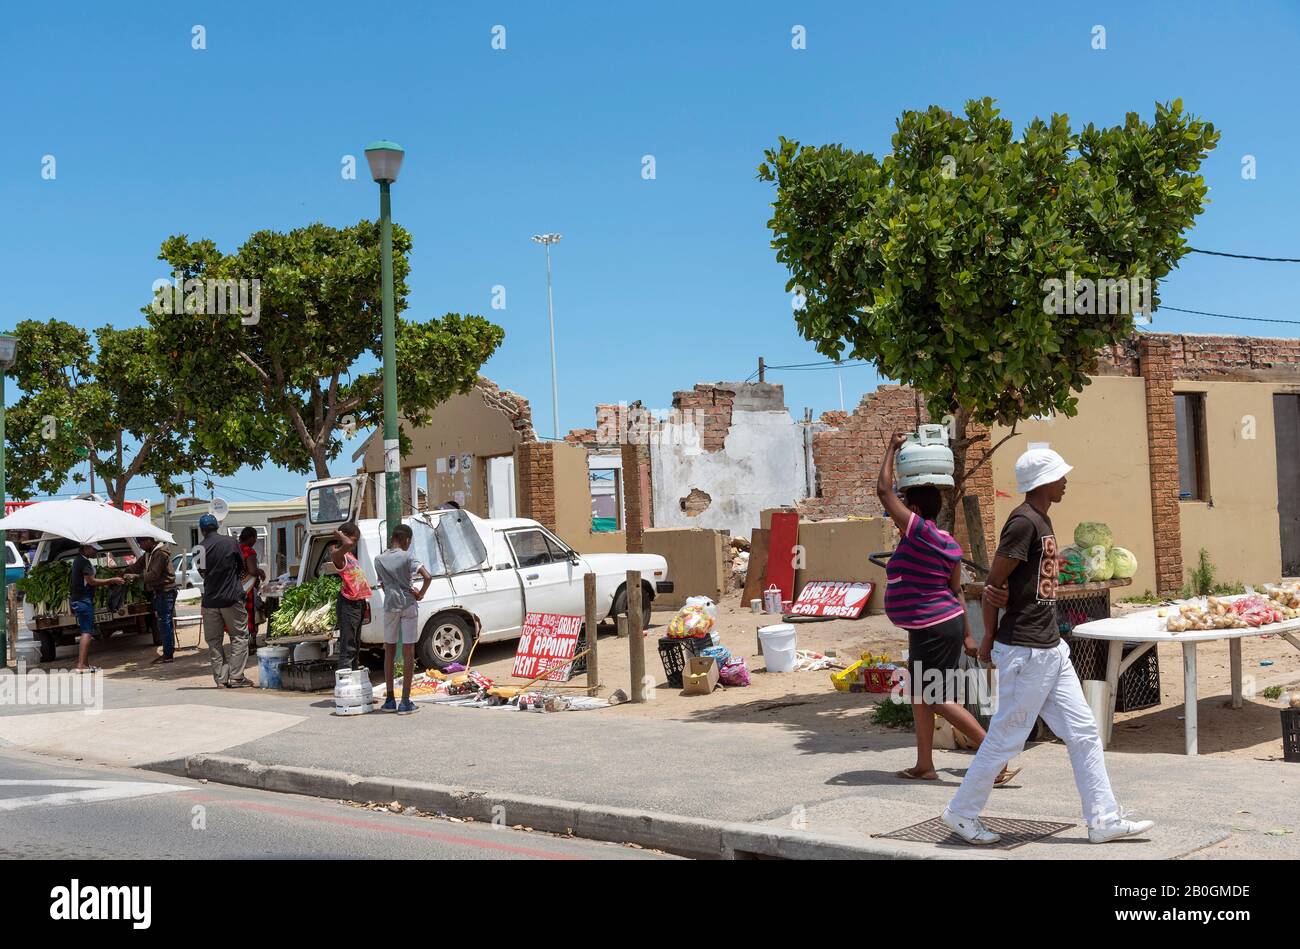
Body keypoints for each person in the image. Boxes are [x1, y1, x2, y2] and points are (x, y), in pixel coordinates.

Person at [943, 447, 1155, 845]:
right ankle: (961, 812)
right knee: (1008, 737)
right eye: (1060, 475)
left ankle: (1104, 820)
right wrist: (988, 640)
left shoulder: (1042, 519)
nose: (1065, 480)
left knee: (1084, 732)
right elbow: (993, 587)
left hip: (1049, 648)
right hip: (1025, 650)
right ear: (1042, 482)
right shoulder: (1023, 522)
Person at [877, 433, 1018, 786]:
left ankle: (994, 757)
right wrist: (969, 635)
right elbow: (954, 590)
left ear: (917, 511)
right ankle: (924, 764)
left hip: (933, 628)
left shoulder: (919, 531)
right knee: (919, 694)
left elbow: (883, 491)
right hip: (939, 626)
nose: (898, 512)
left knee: (935, 697)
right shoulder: (947, 542)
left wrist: (892, 449)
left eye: (904, 506)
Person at [373, 524, 432, 713]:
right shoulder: (408, 557)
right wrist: (420, 594)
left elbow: (382, 584)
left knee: (389, 650)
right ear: (407, 540)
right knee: (408, 651)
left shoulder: (379, 559)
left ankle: (390, 699)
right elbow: (427, 576)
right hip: (408, 605)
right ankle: (405, 702)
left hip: (390, 606)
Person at [197, 514, 252, 688]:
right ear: (216, 526)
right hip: (231, 598)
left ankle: (221, 680)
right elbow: (241, 567)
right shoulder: (230, 542)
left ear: (202, 530)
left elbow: (202, 573)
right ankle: (236, 677)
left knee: (214, 641)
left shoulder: (198, 548)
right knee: (239, 637)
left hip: (210, 601)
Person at [68, 543, 126, 671]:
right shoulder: (83, 563)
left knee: (86, 630)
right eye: (94, 549)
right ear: (86, 548)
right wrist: (112, 580)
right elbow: (92, 582)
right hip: (83, 600)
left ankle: (86, 664)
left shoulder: (80, 560)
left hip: (80, 599)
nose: (96, 552)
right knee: (86, 632)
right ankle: (81, 665)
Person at [124, 535, 177, 664]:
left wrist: (135, 577)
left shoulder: (159, 554)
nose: (140, 546)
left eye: (140, 542)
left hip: (166, 591)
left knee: (164, 622)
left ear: (148, 541)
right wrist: (121, 574)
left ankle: (168, 655)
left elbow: (153, 575)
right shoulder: (149, 554)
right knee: (165, 622)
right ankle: (169, 651)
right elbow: (137, 566)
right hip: (159, 592)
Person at [331, 522, 371, 671]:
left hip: (358, 602)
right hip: (348, 604)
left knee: (355, 644)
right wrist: (340, 534)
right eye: (354, 540)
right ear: (344, 536)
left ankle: (354, 675)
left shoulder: (349, 554)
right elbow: (347, 543)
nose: (354, 544)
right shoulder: (336, 553)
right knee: (348, 646)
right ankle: (345, 680)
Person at [238, 527, 262, 651]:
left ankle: (241, 645)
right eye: (255, 538)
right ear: (251, 537)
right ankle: (251, 645)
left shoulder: (236, 548)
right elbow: (252, 570)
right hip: (247, 589)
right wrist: (261, 572)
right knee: (250, 615)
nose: (255, 541)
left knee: (240, 617)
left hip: (235, 588)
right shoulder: (249, 551)